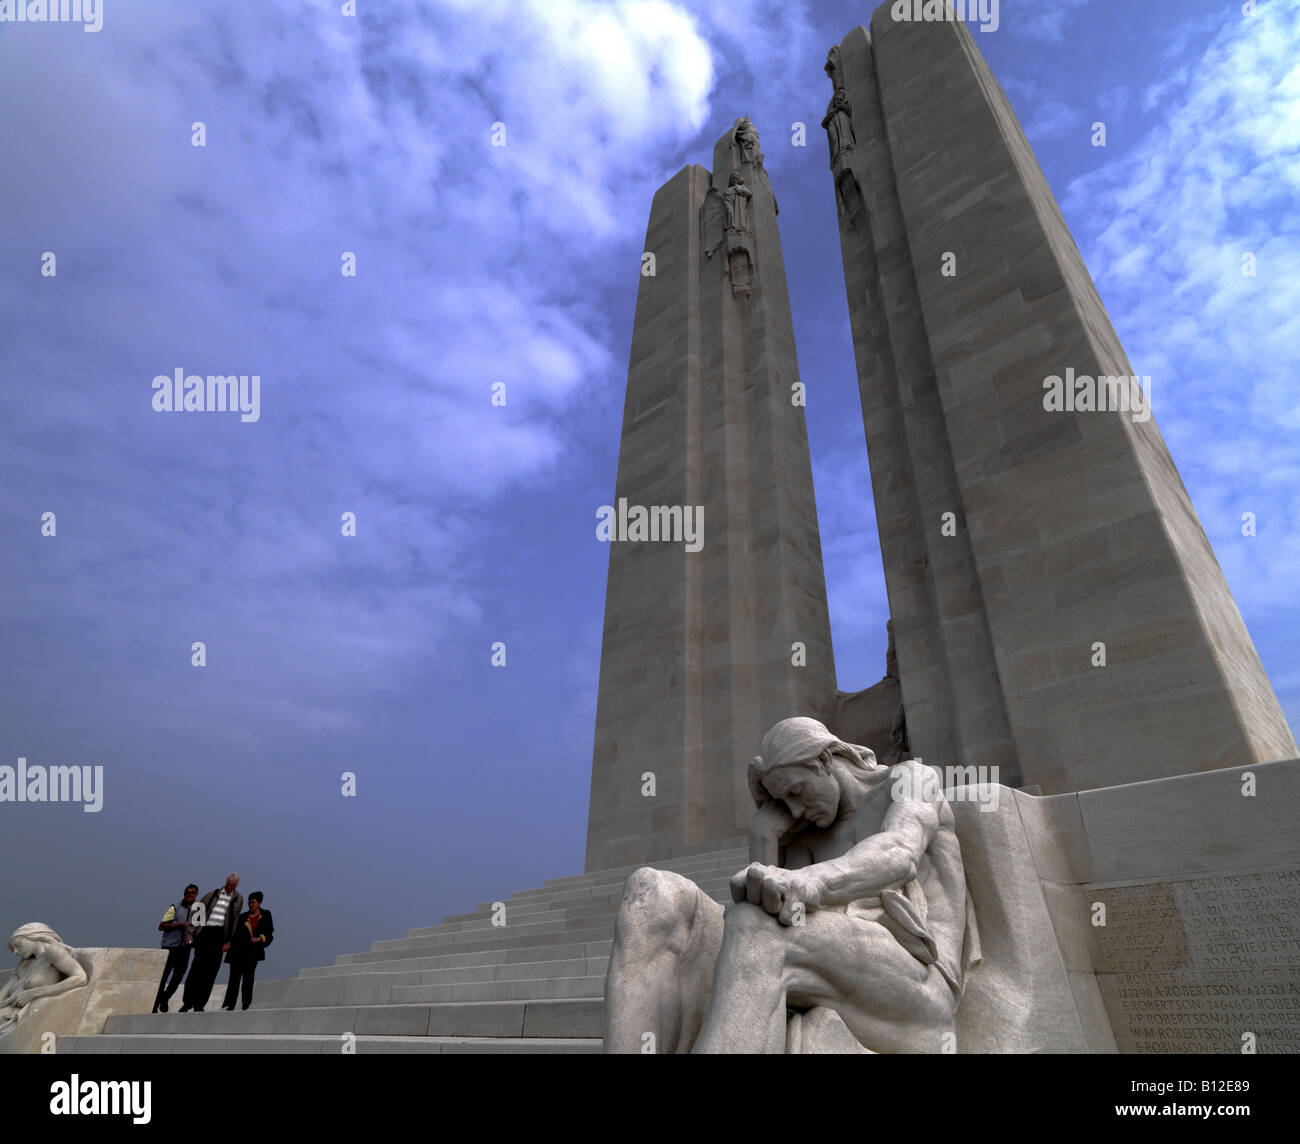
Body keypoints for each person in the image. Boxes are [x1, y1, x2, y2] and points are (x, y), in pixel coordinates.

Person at [604, 716, 978, 1053]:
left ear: (825, 761)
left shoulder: (908, 780)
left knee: (756, 927)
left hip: (917, 985)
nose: (794, 811)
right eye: (783, 802)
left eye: (796, 793)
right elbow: (775, 914)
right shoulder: (808, 831)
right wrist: (764, 837)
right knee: (651, 892)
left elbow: (899, 852)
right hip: (834, 971)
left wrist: (806, 881)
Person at [0, 924, 88, 1037]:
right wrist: (9, 1001)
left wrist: (33, 993)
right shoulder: (23, 965)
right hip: (8, 1012)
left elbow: (80, 978)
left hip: (27, 1012)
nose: (16, 952)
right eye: (14, 949)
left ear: (34, 936)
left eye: (18, 945)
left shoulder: (53, 952)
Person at [179, 873, 242, 1013]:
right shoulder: (212, 894)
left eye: (232, 884)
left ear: (236, 885)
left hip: (220, 937)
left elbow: (235, 922)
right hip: (205, 933)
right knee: (196, 969)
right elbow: (197, 912)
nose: (229, 886)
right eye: (228, 883)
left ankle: (200, 1004)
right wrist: (190, 934)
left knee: (211, 972)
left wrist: (229, 941)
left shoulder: (238, 899)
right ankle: (187, 1002)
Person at [222, 892, 273, 1011]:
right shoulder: (242, 917)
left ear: (259, 903)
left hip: (253, 952)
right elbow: (233, 933)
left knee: (248, 978)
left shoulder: (265, 915)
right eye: (249, 902)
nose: (251, 905)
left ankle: (246, 1002)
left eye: (253, 902)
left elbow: (269, 932)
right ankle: (231, 1004)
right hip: (237, 952)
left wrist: (260, 938)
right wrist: (228, 943)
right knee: (234, 978)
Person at [152, 883, 198, 1013]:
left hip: (185, 948)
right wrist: (179, 925)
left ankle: (164, 998)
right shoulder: (175, 907)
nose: (190, 895)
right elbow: (161, 926)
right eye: (188, 892)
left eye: (193, 892)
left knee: (178, 976)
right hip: (170, 947)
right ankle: (155, 1005)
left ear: (196, 894)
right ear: (184, 894)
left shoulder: (198, 910)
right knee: (163, 977)